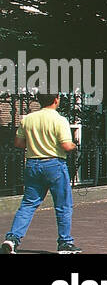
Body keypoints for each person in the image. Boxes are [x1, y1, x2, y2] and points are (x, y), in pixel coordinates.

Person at [3, 92, 81, 254]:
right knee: (63, 205)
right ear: (55, 100)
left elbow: (18, 143)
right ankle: (65, 242)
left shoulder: (28, 119)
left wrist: (35, 144)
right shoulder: (59, 120)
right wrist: (75, 146)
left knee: (28, 203)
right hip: (54, 164)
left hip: (33, 164)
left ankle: (12, 239)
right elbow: (66, 146)